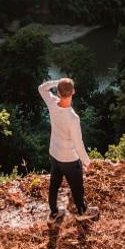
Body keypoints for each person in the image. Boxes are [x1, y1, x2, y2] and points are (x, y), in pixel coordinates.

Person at [38, 77, 99, 222]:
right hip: (70, 160)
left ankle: (53, 213)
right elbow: (78, 145)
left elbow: (41, 88)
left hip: (54, 154)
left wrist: (56, 82)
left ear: (58, 93)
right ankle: (82, 211)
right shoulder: (73, 118)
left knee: (54, 183)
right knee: (77, 187)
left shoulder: (52, 103)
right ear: (73, 92)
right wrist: (87, 162)